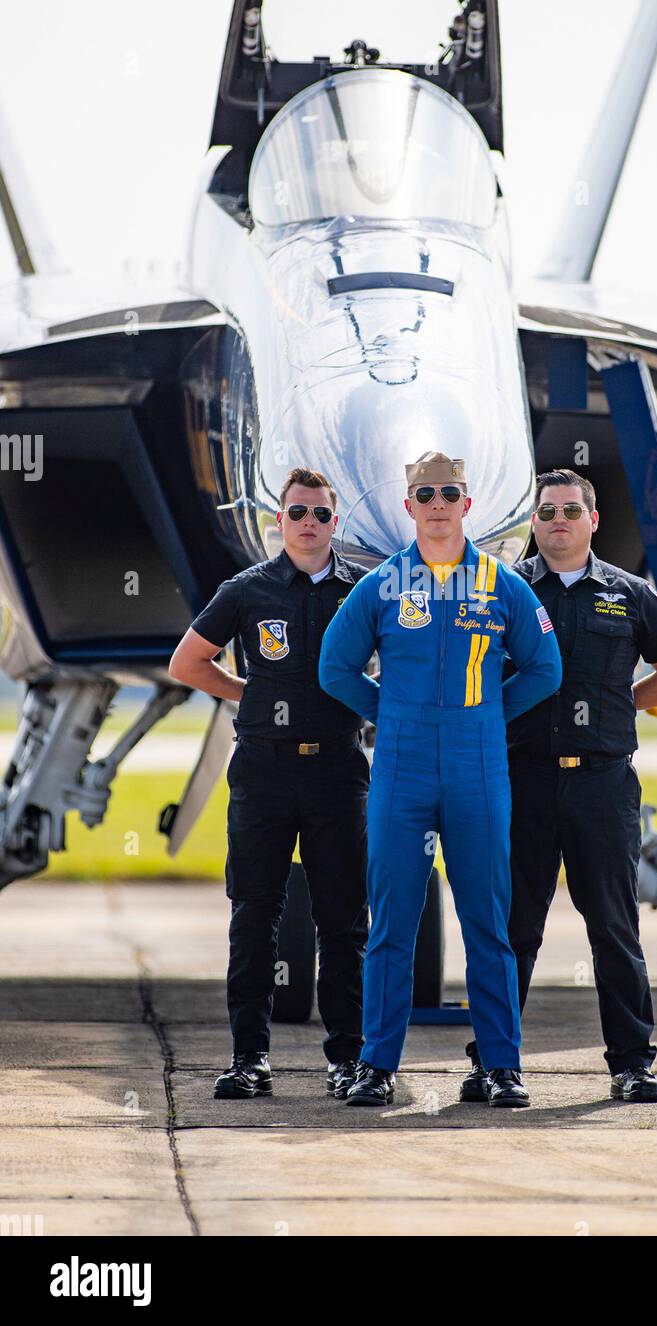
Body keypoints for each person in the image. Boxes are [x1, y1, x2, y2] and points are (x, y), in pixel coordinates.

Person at [319, 452, 562, 1109]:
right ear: (408, 505)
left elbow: (546, 668)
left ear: (467, 502)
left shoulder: (504, 584)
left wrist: (486, 717)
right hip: (400, 770)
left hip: (477, 769)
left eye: (449, 492)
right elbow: (334, 668)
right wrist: (387, 716)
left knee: (488, 920)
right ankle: (376, 1065)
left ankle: (501, 1067)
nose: (436, 503)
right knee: (393, 922)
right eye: (424, 493)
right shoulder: (383, 586)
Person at [461, 468, 657, 1105]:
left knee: (614, 929)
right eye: (546, 512)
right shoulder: (501, 594)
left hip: (601, 785)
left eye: (571, 510)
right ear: (532, 523)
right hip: (522, 783)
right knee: (511, 928)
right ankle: (494, 1066)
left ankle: (632, 1065)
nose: (558, 521)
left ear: (594, 520)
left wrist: (622, 703)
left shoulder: (630, 594)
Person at [169, 467, 370, 1100]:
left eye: (321, 514)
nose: (309, 523)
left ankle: (347, 1060)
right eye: (298, 513)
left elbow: (403, 662)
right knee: (254, 915)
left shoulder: (364, 591)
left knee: (343, 922)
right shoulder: (247, 591)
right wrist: (247, 694)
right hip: (264, 771)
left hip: (338, 770)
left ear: (336, 523)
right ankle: (250, 1059)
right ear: (277, 521)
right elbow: (188, 661)